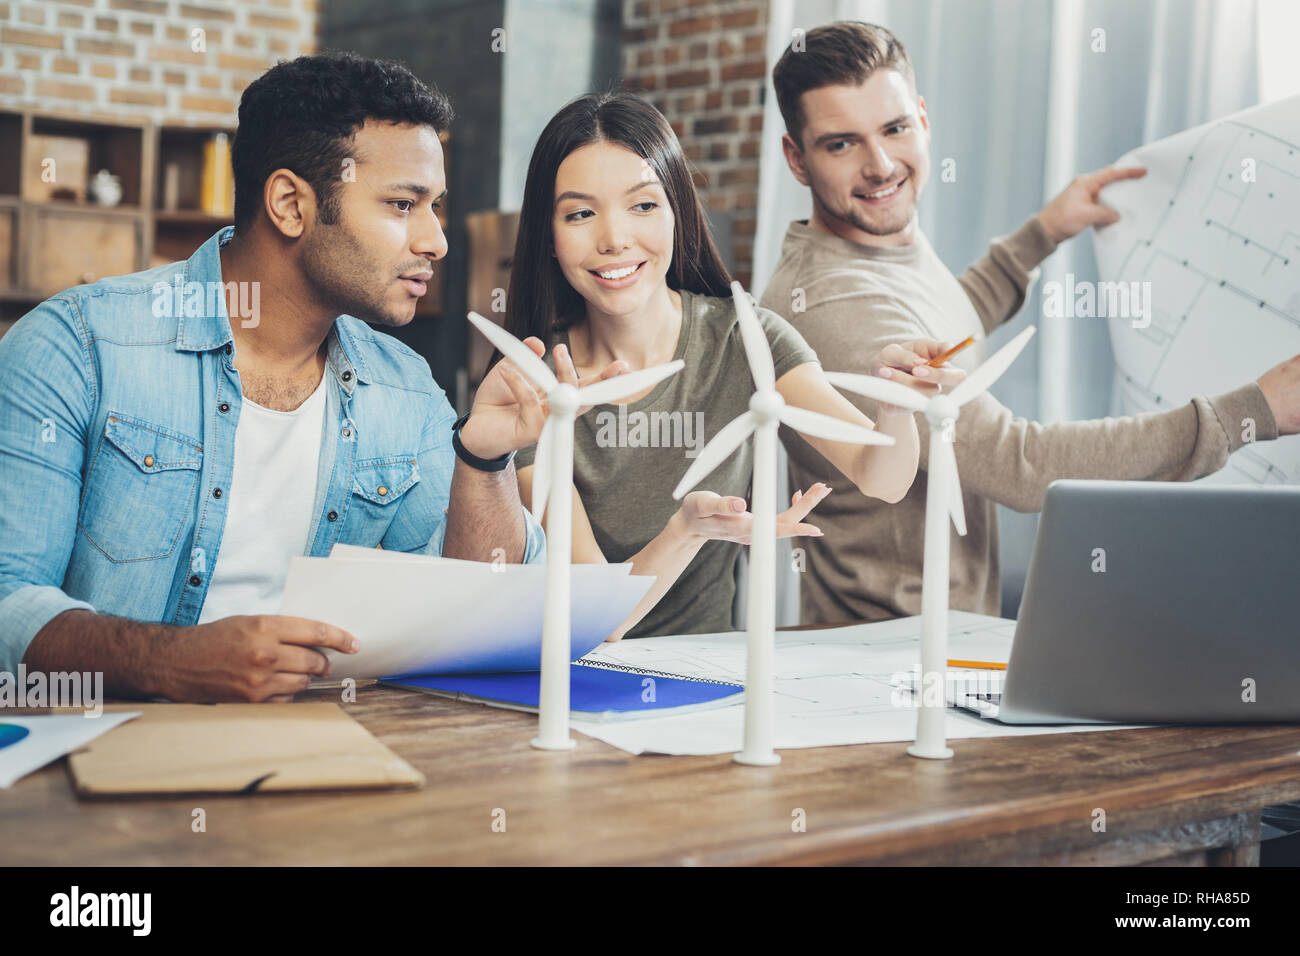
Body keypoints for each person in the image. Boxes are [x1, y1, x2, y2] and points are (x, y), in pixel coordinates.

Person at [0, 53, 607, 702]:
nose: (437, 240)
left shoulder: (402, 386)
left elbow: (478, 602)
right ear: (291, 204)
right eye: (404, 204)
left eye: (436, 206)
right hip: (106, 764)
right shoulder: (79, 346)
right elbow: (9, 602)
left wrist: (483, 459)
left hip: (333, 754)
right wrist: (171, 662)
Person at [761, 21, 1300, 625]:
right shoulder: (832, 301)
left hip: (938, 642)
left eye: (894, 128)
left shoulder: (876, 253)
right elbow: (1020, 464)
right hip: (881, 664)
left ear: (923, 119)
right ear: (797, 159)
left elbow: (946, 322)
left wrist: (1043, 233)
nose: (881, 164)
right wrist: (1254, 413)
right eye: (842, 144)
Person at [503, 91, 948, 641]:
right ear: (548, 236)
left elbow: (883, 477)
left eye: (643, 205)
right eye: (580, 213)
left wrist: (892, 407)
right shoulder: (532, 384)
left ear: (677, 213)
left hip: (707, 675)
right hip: (574, 675)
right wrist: (687, 530)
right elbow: (596, 619)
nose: (614, 238)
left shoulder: (745, 339)